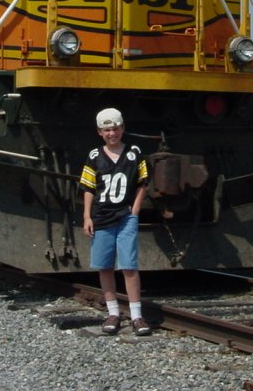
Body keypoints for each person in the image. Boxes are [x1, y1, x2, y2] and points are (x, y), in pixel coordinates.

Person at [80, 107, 152, 336]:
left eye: (116, 128)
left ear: (123, 129)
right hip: (101, 217)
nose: (112, 133)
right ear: (100, 132)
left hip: (125, 217)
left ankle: (137, 316)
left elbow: (143, 182)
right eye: (107, 130)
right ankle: (112, 312)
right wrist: (86, 216)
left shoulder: (134, 154)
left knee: (129, 265)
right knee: (105, 265)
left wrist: (136, 210)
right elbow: (88, 188)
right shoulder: (94, 157)